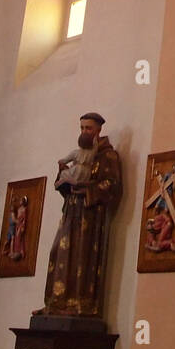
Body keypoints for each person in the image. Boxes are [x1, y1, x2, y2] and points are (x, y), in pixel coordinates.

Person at [38, 113, 121, 318]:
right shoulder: (79, 153)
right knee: (59, 252)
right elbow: (66, 181)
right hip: (71, 210)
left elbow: (112, 184)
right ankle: (55, 303)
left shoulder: (107, 156)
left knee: (81, 256)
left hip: (90, 216)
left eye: (89, 128)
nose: (84, 132)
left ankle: (78, 304)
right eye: (82, 128)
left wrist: (88, 189)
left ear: (99, 130)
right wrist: (63, 174)